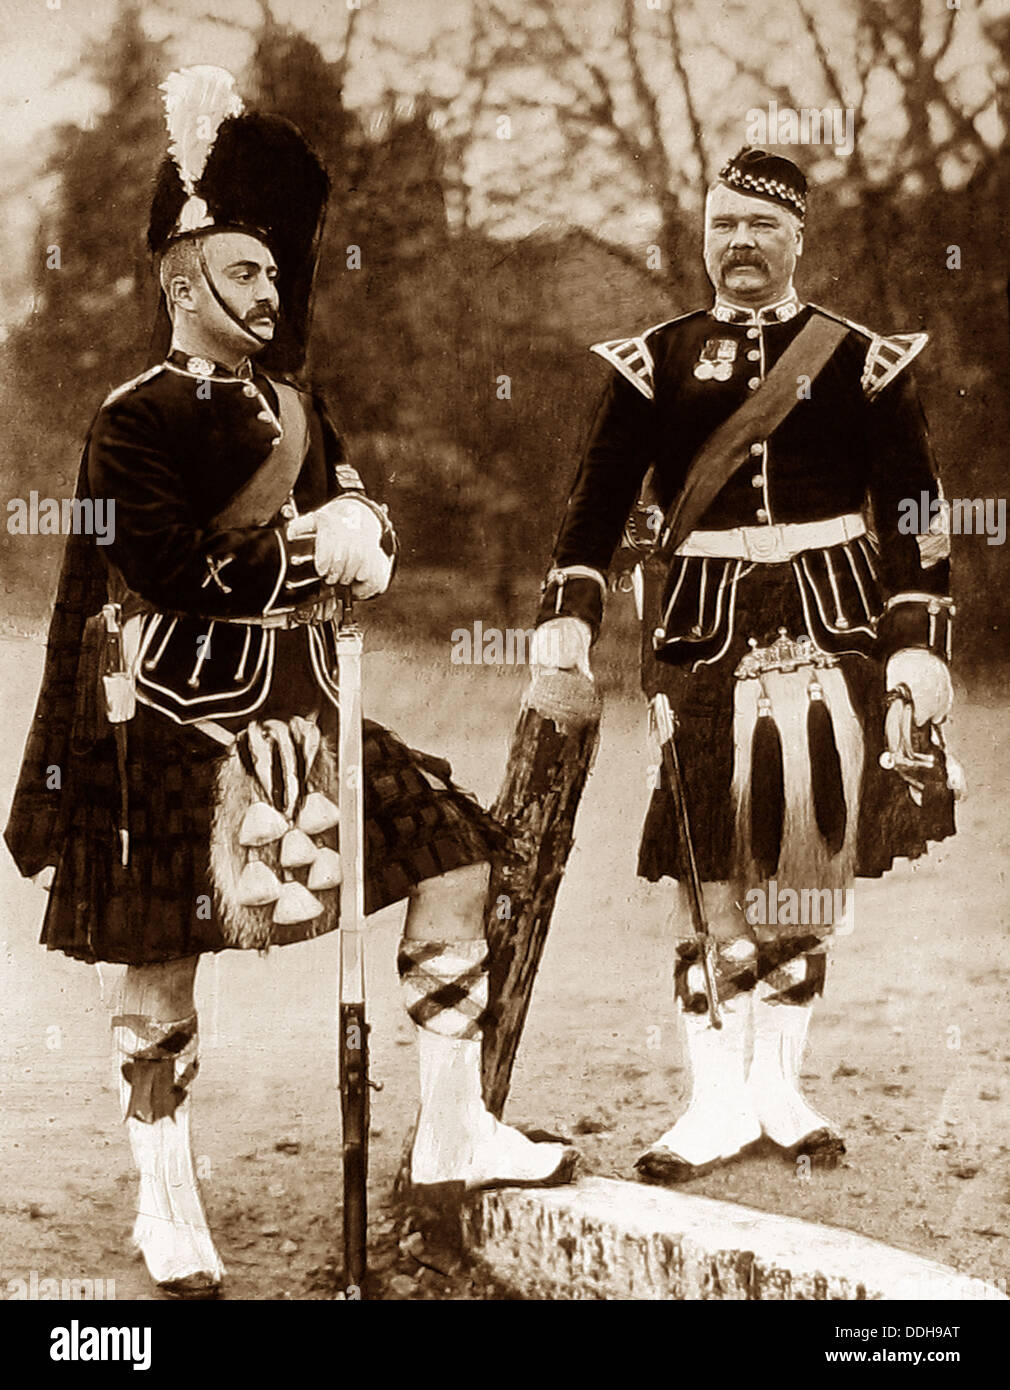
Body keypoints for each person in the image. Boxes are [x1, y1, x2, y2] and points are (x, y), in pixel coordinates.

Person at [5, 66, 573, 1300]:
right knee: (161, 966)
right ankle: (164, 1199)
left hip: (308, 718)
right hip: (176, 729)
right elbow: (163, 566)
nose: (273, 292)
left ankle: (449, 1128)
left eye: (275, 272)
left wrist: (365, 519)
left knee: (457, 856)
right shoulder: (132, 420)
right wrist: (316, 546)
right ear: (181, 275)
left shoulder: (299, 403)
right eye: (247, 271)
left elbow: (354, 504)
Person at [530, 147, 958, 1184]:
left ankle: (779, 1086)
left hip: (832, 621)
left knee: (807, 858)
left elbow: (912, 513)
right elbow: (590, 507)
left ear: (797, 238)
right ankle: (713, 1099)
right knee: (706, 856)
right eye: (722, 226)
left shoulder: (859, 360)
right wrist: (566, 616)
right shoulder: (653, 361)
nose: (740, 244)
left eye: (760, 227)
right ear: (702, 236)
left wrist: (917, 643)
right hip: (700, 634)